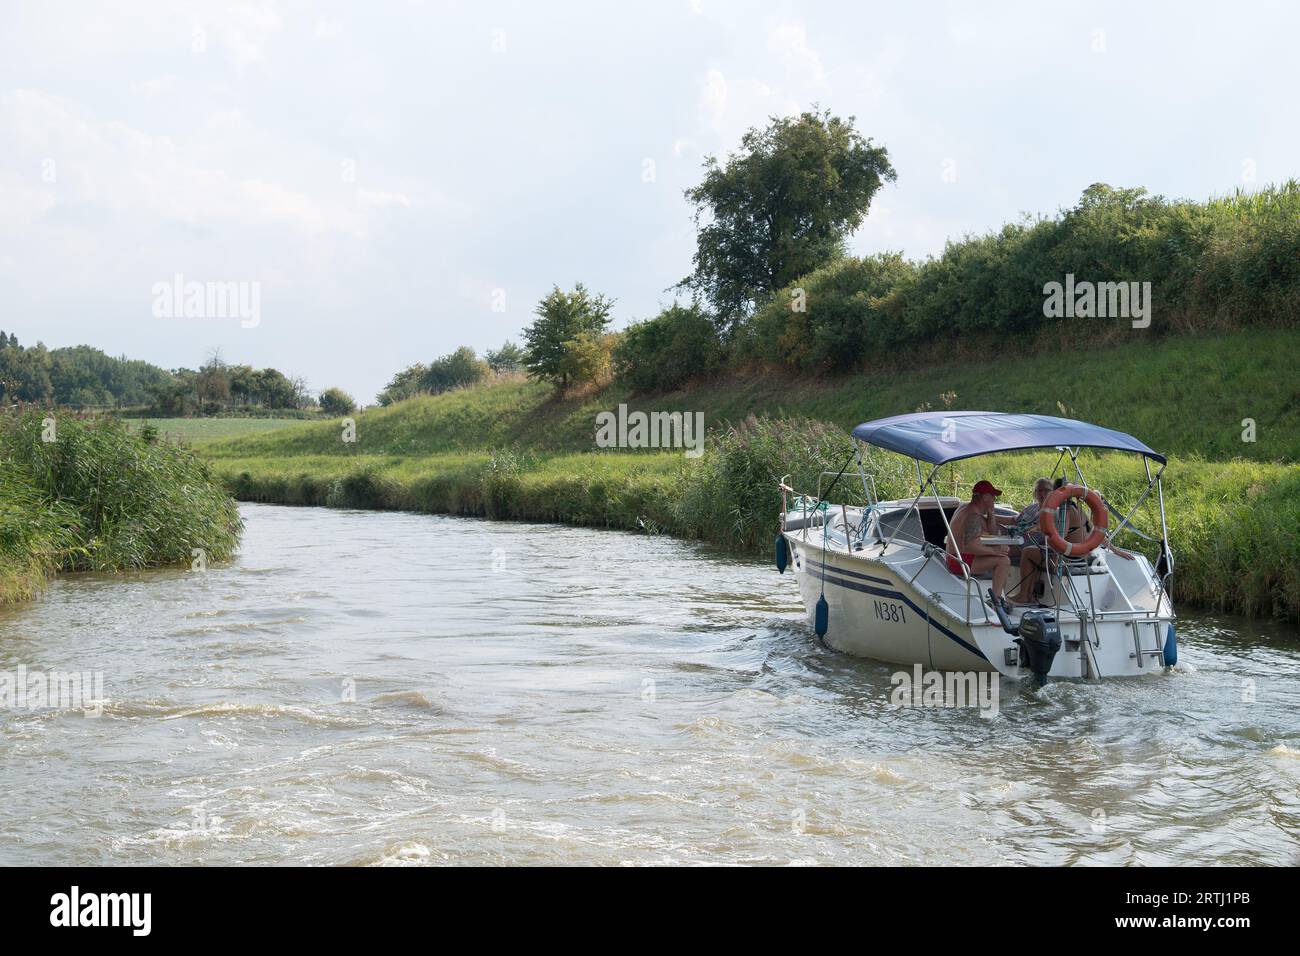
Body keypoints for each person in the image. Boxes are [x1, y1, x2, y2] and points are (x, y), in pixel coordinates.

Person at [944, 479, 1011, 608]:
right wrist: (995, 551)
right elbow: (971, 545)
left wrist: (991, 514)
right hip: (960, 561)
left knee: (1000, 555)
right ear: (985, 497)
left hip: (954, 557)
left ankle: (998, 599)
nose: (994, 500)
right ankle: (996, 602)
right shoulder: (973, 515)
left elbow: (991, 531)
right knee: (1004, 560)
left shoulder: (966, 507)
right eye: (992, 496)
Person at [1009, 477, 1052, 605]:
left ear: (1053, 492)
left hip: (1035, 543)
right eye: (1039, 491)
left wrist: (1036, 527)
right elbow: (1014, 520)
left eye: (1046, 490)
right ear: (1035, 493)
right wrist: (990, 516)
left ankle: (1023, 595)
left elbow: (1046, 525)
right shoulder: (1031, 508)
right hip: (1020, 540)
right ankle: (1026, 595)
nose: (1042, 494)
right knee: (999, 545)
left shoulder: (1056, 510)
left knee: (1002, 550)